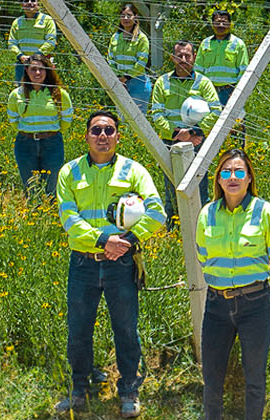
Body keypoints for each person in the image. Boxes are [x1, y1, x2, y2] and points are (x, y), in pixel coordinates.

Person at [56, 110, 166, 418]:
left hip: (122, 264)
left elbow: (157, 212)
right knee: (78, 330)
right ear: (86, 136)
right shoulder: (70, 172)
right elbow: (69, 218)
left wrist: (127, 241)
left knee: (126, 329)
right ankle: (79, 389)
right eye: (96, 130)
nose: (102, 136)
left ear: (118, 136)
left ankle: (129, 389)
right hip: (84, 263)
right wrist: (104, 240)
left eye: (108, 130)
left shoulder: (134, 171)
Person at [195, 147, 270, 420]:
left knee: (254, 378)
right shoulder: (207, 213)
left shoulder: (267, 213)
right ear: (218, 179)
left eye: (239, 171)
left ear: (249, 177)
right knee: (212, 378)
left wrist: (263, 290)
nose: (233, 177)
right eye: (226, 172)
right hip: (216, 305)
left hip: (256, 305)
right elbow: (203, 256)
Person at [149, 39, 221, 222]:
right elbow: (157, 115)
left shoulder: (203, 83)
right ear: (172, 58)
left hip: (197, 142)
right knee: (171, 186)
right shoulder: (162, 82)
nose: (183, 59)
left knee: (199, 186)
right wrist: (176, 134)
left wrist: (194, 133)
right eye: (179, 55)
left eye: (187, 55)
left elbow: (216, 111)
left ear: (194, 57)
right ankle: (173, 227)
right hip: (170, 143)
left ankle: (201, 226)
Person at [7, 53, 75, 200]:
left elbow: (66, 118)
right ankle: (33, 210)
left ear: (47, 71)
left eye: (41, 69)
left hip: (52, 144)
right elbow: (13, 120)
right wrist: (28, 131)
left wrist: (53, 132)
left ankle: (50, 211)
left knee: (52, 185)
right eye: (33, 69)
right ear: (26, 70)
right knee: (29, 186)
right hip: (25, 144)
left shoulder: (59, 93)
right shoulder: (16, 94)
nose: (37, 73)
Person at [198, 8, 250, 104]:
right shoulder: (205, 43)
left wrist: (237, 93)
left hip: (229, 91)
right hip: (208, 91)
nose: (221, 25)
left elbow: (243, 71)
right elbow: (198, 69)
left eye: (224, 22)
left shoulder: (238, 44)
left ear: (230, 24)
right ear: (212, 24)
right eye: (217, 22)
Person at [108, 2, 153, 109]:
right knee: (122, 115)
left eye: (129, 15)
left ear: (135, 17)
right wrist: (118, 78)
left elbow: (141, 62)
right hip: (119, 82)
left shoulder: (141, 38)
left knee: (138, 116)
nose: (125, 18)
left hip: (138, 84)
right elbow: (110, 59)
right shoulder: (115, 37)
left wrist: (126, 77)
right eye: (123, 15)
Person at [9, 0, 57, 83]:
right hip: (22, 65)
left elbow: (51, 41)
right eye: (26, 1)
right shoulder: (17, 22)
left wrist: (36, 57)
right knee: (22, 89)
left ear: (38, 5)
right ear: (22, 5)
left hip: (42, 64)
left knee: (45, 89)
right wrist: (21, 56)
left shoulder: (47, 20)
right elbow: (12, 43)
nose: (29, 3)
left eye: (33, 0)